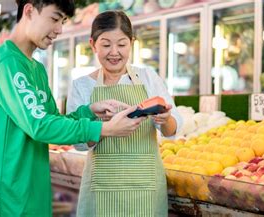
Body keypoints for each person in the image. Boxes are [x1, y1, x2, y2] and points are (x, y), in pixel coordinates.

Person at [0, 1, 145, 216]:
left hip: (31, 190)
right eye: (54, 19)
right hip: (7, 198)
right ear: (29, 11)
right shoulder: (7, 63)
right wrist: (104, 130)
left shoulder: (36, 68)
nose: (59, 30)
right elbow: (39, 125)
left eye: (62, 22)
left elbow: (52, 119)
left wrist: (89, 111)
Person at [66, 10, 182, 216]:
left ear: (132, 43)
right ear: (93, 44)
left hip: (146, 190)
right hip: (102, 190)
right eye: (105, 44)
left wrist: (165, 119)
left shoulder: (148, 77)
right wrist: (103, 127)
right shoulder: (81, 86)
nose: (114, 52)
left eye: (121, 44)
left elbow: (172, 130)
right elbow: (79, 142)